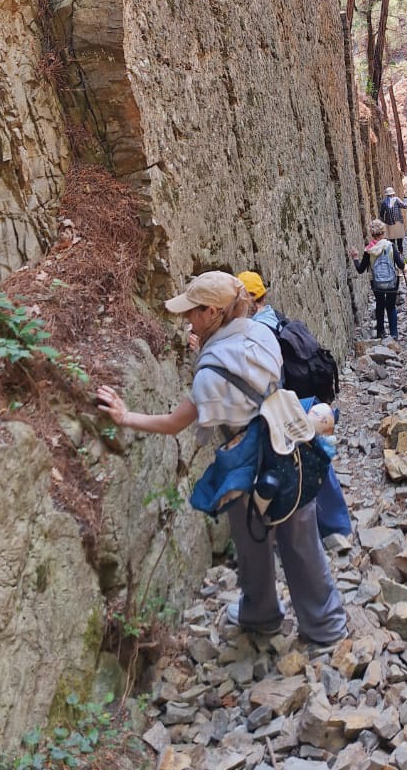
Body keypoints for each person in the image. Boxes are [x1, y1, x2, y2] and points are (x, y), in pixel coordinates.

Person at [96, 271, 346, 645]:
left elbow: (172, 423)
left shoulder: (210, 374)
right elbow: (249, 374)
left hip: (248, 462)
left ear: (212, 312)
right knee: (302, 539)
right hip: (289, 440)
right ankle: (326, 624)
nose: (187, 320)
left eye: (193, 312)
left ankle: (261, 614)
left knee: (253, 541)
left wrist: (124, 416)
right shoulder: (262, 333)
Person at [236, 270, 352, 541]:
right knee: (314, 455)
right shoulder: (273, 316)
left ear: (252, 300)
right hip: (298, 401)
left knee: (301, 461)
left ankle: (317, 527)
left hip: (283, 406)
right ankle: (335, 523)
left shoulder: (258, 328)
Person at [350, 219, 405, 340]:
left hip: (377, 283)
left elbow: (360, 269)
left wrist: (355, 258)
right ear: (383, 233)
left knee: (380, 305)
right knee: (391, 306)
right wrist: (400, 257)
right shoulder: (391, 246)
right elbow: (401, 265)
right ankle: (394, 334)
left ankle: (380, 332)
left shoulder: (368, 250)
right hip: (392, 282)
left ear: (372, 234)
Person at [379, 185, 405, 252]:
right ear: (393, 193)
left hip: (390, 222)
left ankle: (395, 253)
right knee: (398, 238)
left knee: (392, 239)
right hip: (397, 221)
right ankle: (400, 252)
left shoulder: (384, 202)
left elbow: (381, 214)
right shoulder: (396, 199)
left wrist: (383, 222)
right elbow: (404, 206)